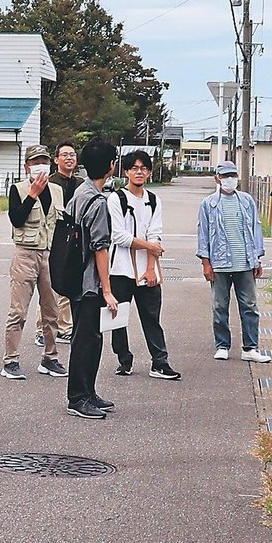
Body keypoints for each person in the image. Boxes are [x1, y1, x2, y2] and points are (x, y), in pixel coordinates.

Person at [107, 150, 180, 380]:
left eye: (143, 168)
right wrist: (150, 247)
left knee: (152, 317)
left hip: (147, 270)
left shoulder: (154, 199)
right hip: (119, 269)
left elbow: (155, 235)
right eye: (134, 168)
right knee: (118, 317)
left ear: (149, 172)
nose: (139, 172)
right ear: (126, 171)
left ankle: (160, 362)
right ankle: (124, 359)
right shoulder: (116, 198)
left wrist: (151, 267)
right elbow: (119, 236)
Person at [65, 138, 120, 419]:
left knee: (91, 337)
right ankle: (78, 397)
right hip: (88, 282)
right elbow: (100, 247)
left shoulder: (79, 193)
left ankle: (89, 391)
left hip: (75, 276)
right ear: (111, 166)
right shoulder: (97, 202)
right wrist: (107, 290)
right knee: (86, 338)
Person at [2, 144, 67, 381]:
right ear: (27, 166)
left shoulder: (58, 190)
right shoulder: (18, 189)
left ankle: (50, 357)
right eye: (35, 161)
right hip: (25, 255)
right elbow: (16, 219)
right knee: (18, 310)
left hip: (50, 255)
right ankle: (10, 360)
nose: (40, 165)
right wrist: (32, 195)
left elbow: (61, 224)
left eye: (44, 161)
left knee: (51, 310)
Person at [196, 161, 271, 363]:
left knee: (250, 305)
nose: (230, 179)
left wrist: (257, 259)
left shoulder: (246, 201)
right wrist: (206, 262)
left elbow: (256, 229)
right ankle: (222, 345)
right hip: (219, 263)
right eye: (225, 176)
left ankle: (250, 347)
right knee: (220, 305)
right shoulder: (208, 204)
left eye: (233, 175)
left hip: (245, 262)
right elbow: (203, 234)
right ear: (217, 179)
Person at [36, 141, 79, 346]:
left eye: (72, 155)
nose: (69, 158)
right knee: (50, 288)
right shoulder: (50, 183)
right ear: (56, 160)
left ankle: (64, 327)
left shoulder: (79, 183)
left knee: (67, 285)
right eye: (65, 155)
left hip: (74, 239)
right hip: (54, 238)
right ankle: (41, 329)